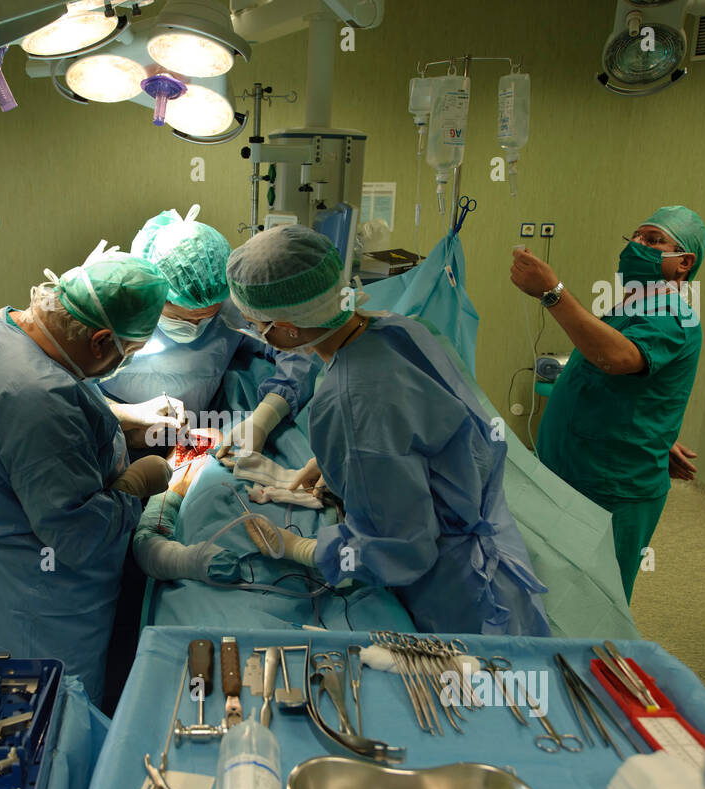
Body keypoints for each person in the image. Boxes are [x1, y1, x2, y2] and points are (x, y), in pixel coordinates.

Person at [229, 225, 551, 636]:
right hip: (496, 548)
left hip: (459, 596)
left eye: (259, 324)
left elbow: (404, 549)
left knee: (485, 695)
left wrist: (307, 549)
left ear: (288, 327)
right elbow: (436, 436)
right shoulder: (398, 328)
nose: (260, 334)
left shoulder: (349, 401)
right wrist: (347, 467)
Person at [0, 250, 172, 705]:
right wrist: (137, 482)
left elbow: (6, 427)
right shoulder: (42, 400)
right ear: (101, 341)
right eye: (129, 351)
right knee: (46, 718)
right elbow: (78, 534)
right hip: (38, 591)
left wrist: (113, 417)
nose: (122, 362)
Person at [511, 205, 705, 601]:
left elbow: (614, 359)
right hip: (575, 471)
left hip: (611, 486)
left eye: (653, 241)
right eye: (635, 237)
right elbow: (632, 382)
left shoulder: (673, 316)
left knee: (594, 599)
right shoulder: (634, 306)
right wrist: (657, 431)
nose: (637, 246)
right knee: (556, 588)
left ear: (683, 263)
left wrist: (553, 293)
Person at [96, 207, 317, 459]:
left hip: (192, 434)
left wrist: (265, 417)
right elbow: (68, 388)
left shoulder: (227, 301)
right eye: (179, 317)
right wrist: (124, 416)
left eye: (206, 318)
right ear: (153, 291)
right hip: (108, 437)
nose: (194, 327)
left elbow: (296, 346)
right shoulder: (112, 304)